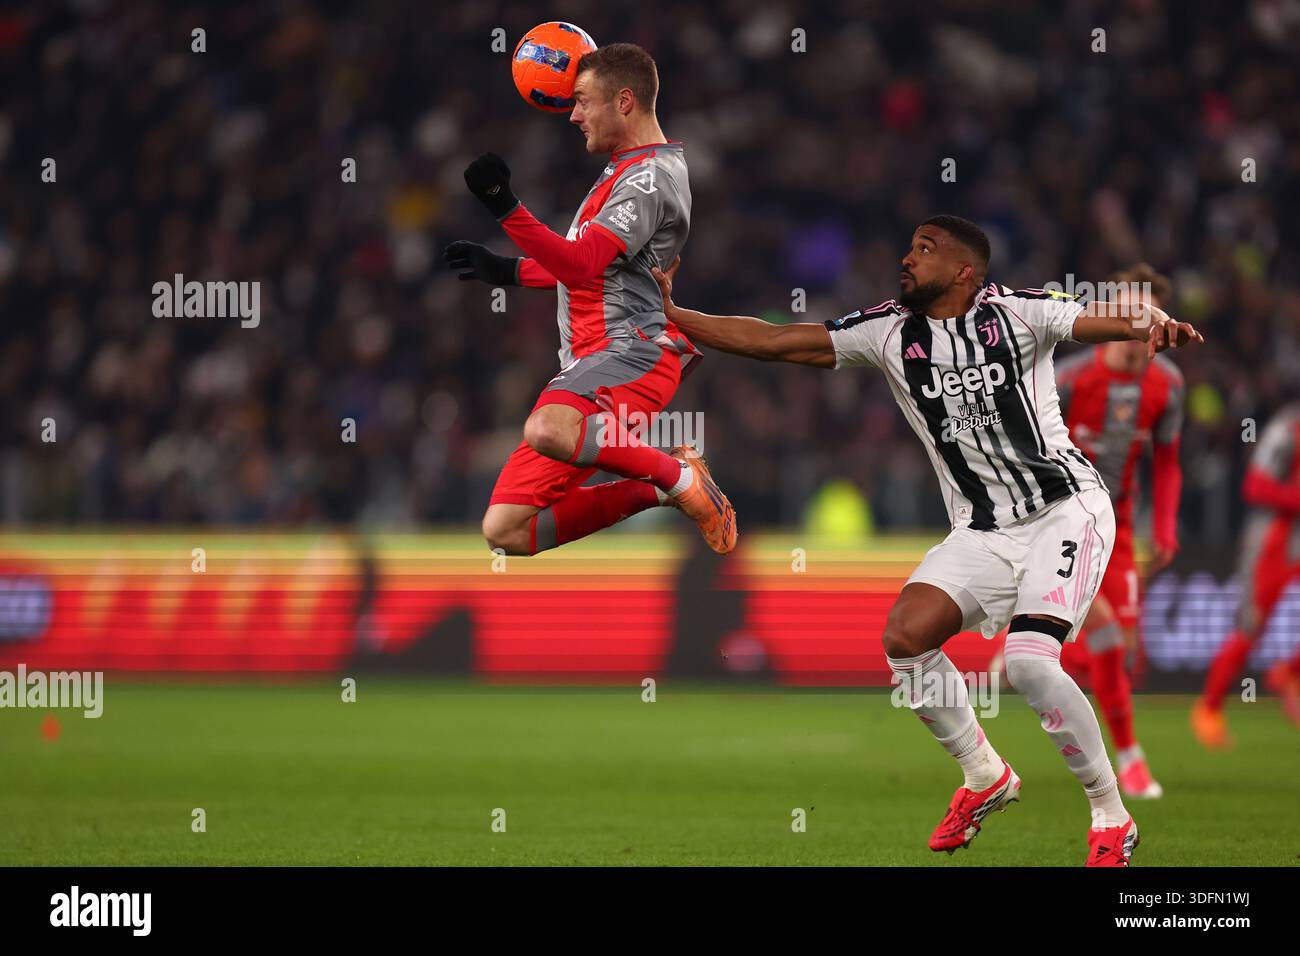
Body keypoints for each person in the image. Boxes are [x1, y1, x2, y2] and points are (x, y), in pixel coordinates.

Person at [651, 215, 1204, 865]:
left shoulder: (1021, 315)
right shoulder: (888, 330)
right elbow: (777, 342)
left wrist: (1153, 326)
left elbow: (1099, 320)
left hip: (1065, 510)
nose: (907, 260)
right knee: (905, 639)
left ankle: (1112, 816)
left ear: (965, 270)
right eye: (910, 247)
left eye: (925, 250)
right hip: (982, 529)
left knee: (1028, 661)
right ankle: (985, 775)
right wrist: (673, 312)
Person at [444, 43, 735, 557]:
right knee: (506, 529)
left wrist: (504, 206)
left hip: (632, 351)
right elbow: (591, 269)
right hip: (590, 360)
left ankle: (679, 478)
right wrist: (506, 270)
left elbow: (581, 265)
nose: (573, 114)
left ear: (624, 102)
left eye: (582, 101)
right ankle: (658, 484)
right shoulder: (625, 171)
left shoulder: (649, 179)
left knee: (549, 427)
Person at [1050, 263, 1185, 798]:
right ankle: (1128, 759)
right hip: (1064, 516)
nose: (1134, 329)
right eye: (1124, 314)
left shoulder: (1168, 385)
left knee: (1120, 645)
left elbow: (1169, 461)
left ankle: (1114, 748)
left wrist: (1167, 529)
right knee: (1104, 635)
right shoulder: (1069, 377)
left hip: (1122, 523)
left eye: (1144, 319)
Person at [1193, 402, 1300, 748]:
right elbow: (1254, 486)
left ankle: (1289, 672)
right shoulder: (1287, 428)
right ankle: (1208, 709)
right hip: (1272, 538)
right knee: (1251, 625)